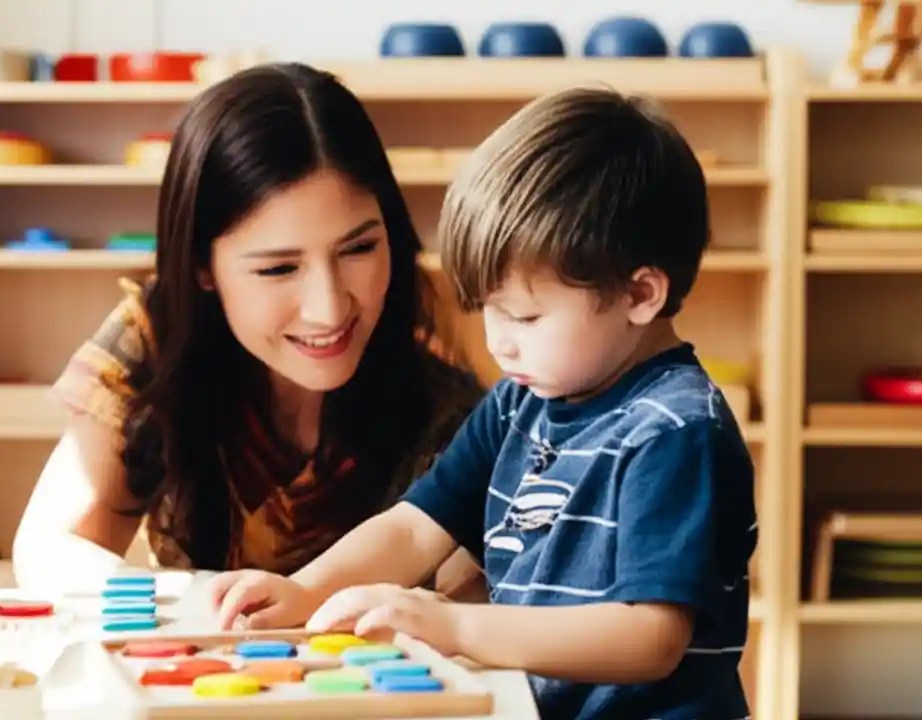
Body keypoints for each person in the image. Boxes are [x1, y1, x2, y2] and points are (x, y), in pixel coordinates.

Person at [0, 62, 487, 658]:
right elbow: (52, 545)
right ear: (203, 268)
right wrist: (199, 599)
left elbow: (481, 597)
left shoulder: (445, 359)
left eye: (359, 249)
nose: (329, 307)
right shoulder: (158, 337)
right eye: (278, 267)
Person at [209, 87, 758, 719]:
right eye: (487, 311)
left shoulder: (674, 431)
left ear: (639, 295)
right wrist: (304, 590)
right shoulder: (519, 402)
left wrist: (458, 628)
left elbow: (649, 640)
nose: (498, 342)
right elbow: (416, 527)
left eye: (524, 315)